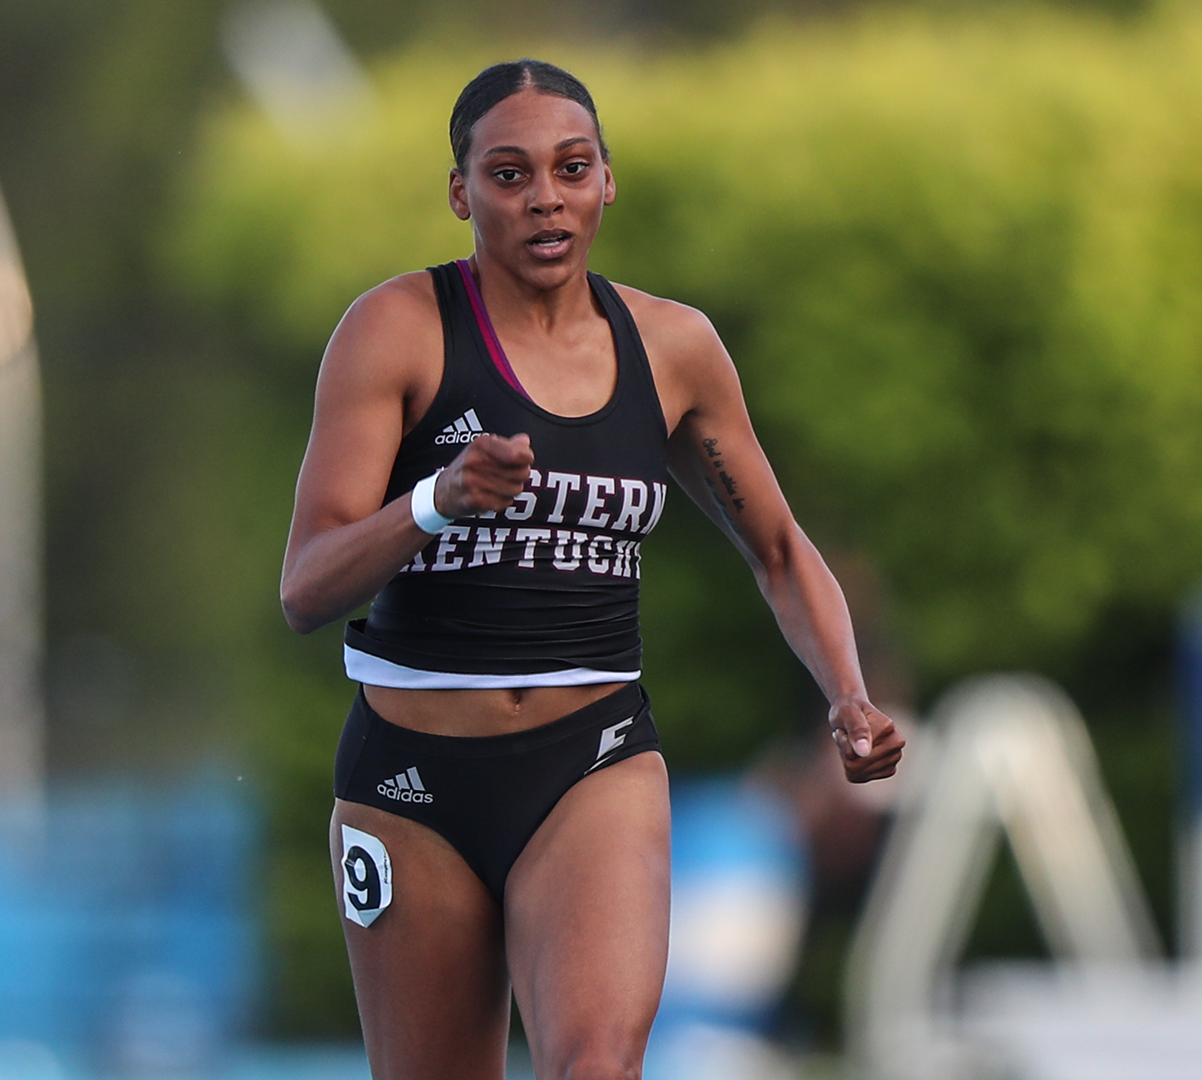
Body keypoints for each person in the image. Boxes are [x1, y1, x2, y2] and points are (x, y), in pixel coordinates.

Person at [280, 59, 904, 1080]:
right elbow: (307, 588)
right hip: (411, 780)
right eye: (510, 174)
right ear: (460, 193)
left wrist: (847, 694)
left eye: (571, 169)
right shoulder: (395, 332)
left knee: (599, 1066)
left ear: (607, 180)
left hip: (592, 761)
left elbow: (781, 548)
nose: (545, 200)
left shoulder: (673, 350)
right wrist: (438, 500)